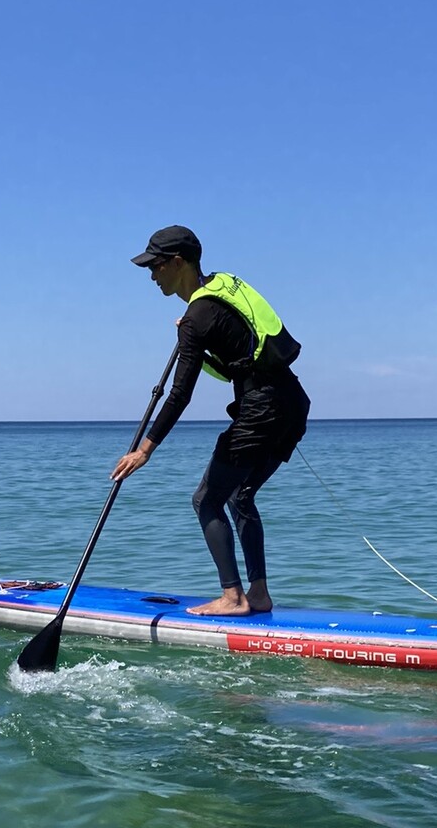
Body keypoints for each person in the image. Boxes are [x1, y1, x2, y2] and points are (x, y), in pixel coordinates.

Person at [111, 225, 310, 616]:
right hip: (292, 401)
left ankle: (232, 597)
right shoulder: (219, 290)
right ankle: (259, 594)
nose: (152, 275)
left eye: (156, 266)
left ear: (178, 263)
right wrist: (196, 340)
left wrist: (144, 450)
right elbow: (235, 350)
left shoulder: (196, 316)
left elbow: (180, 394)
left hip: (262, 408)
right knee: (240, 495)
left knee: (206, 499)